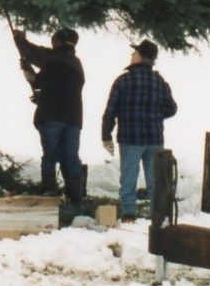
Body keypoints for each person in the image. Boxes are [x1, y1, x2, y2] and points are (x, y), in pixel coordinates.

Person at [100, 38, 177, 220]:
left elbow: (110, 111)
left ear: (141, 57)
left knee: (128, 178)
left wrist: (106, 135)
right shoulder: (160, 82)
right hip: (154, 138)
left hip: (130, 138)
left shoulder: (123, 81)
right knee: (155, 180)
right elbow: (172, 108)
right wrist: (156, 116)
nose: (132, 55)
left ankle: (128, 214)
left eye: (135, 52)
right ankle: (158, 216)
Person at [13, 27, 86, 203]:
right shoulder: (76, 63)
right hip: (73, 117)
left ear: (58, 41)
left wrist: (19, 39)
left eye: (54, 39)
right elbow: (47, 84)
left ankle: (48, 195)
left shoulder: (52, 58)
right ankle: (76, 198)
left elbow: (30, 54)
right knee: (71, 156)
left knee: (50, 156)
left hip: (51, 115)